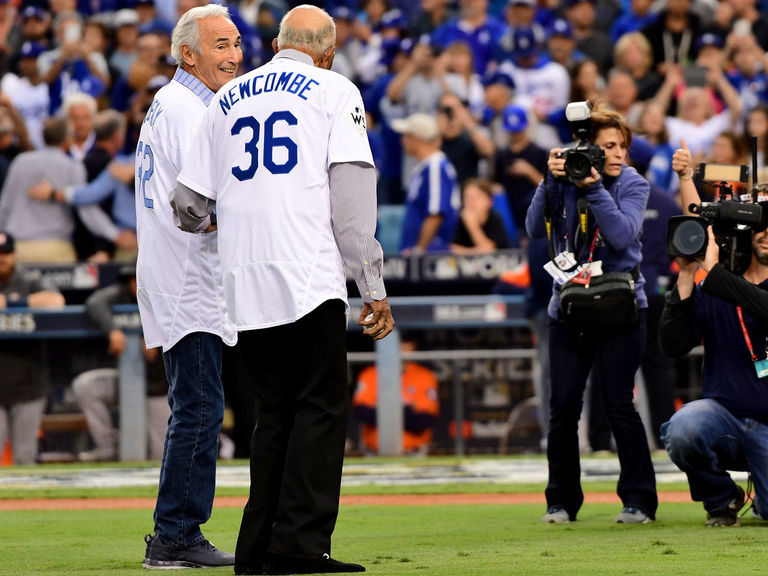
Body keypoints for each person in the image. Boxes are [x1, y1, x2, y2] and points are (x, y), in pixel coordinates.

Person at [171, 5, 395, 574]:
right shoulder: (333, 88)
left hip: (243, 282)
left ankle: (258, 550)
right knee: (320, 408)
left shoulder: (226, 98)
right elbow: (349, 207)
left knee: (272, 416)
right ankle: (299, 547)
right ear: (327, 51)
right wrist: (372, 284)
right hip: (307, 274)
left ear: (275, 43)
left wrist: (242, 219)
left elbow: (189, 208)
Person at [135, 5, 240, 570]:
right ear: (188, 53)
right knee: (198, 409)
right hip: (188, 278)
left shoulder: (174, 103)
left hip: (176, 273)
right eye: (220, 45)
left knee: (195, 406)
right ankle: (175, 534)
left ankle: (175, 531)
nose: (233, 56)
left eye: (236, 44)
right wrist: (256, 213)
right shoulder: (191, 111)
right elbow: (193, 211)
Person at [525, 105, 658, 524]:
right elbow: (532, 230)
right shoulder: (562, 178)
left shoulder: (633, 183)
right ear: (586, 148)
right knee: (562, 406)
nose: (617, 154)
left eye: (622, 146)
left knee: (618, 402)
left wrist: (595, 188)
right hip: (568, 307)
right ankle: (561, 501)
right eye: (607, 147)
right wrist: (550, 180)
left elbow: (621, 234)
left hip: (621, 308)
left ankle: (638, 500)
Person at [659, 140, 768, 526]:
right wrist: (687, 279)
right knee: (684, 428)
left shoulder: (723, 282)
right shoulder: (715, 285)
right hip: (725, 420)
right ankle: (721, 499)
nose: (766, 234)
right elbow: (672, 345)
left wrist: (714, 273)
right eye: (761, 225)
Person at [72, 265, 170, 462]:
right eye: (134, 279)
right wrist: (113, 329)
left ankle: (222, 443)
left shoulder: (167, 296)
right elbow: (95, 302)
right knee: (86, 386)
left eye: (141, 278)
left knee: (162, 457)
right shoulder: (123, 294)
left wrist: (154, 335)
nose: (137, 284)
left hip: (161, 390)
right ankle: (109, 448)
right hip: (128, 382)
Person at [0, 231, 65, 464]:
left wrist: (10, 303)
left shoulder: (29, 280)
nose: (2, 259)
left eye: (6, 253)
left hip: (28, 383)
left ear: (15, 254)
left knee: (24, 459)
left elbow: (56, 301)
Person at [353, 333, 439, 454]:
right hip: (374, 451)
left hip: (414, 452)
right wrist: (406, 411)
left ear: (414, 346)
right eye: (398, 343)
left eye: (406, 343)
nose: (401, 347)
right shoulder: (370, 374)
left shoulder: (424, 376)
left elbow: (424, 420)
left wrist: (383, 412)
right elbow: (362, 412)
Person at [394, 112, 460, 254]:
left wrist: (420, 249)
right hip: (416, 252)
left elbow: (436, 212)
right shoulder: (424, 167)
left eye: (406, 136)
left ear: (416, 139)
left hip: (430, 254)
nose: (401, 141)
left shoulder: (435, 166)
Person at [450, 177, 510, 253]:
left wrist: (472, 225)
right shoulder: (458, 219)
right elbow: (451, 249)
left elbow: (488, 250)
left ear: (490, 201)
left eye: (478, 196)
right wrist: (477, 251)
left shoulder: (495, 219)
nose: (472, 202)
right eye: (467, 197)